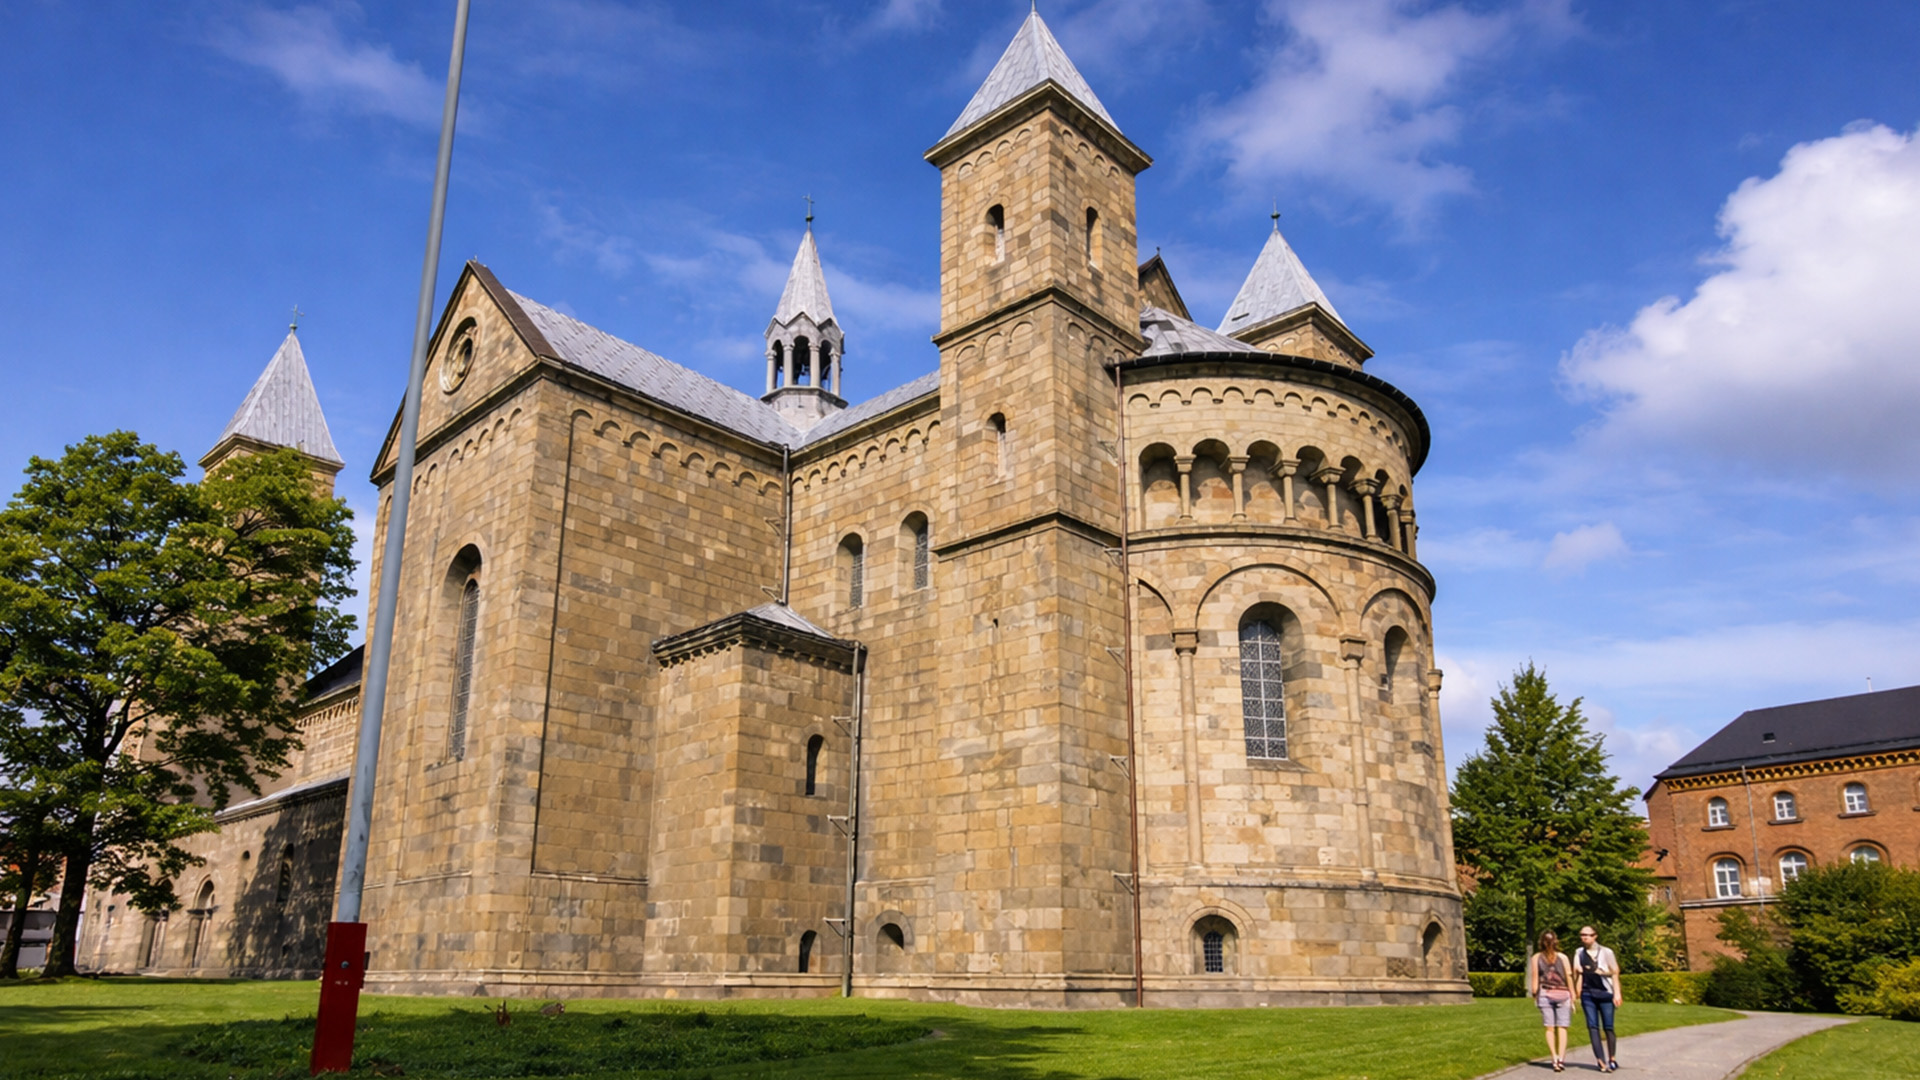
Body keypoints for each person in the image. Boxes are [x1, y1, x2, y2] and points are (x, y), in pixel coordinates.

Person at [1575, 925, 1623, 1072]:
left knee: (1608, 1027)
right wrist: (1576, 993)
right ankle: (1600, 1060)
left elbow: (1615, 972)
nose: (1585, 937)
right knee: (1592, 1027)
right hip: (1588, 993)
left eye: (1588, 935)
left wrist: (1617, 993)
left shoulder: (1606, 952)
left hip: (1605, 993)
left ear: (1595, 936)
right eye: (1582, 935)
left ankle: (1612, 1058)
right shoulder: (1579, 952)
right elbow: (1577, 972)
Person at [1527, 929, 1575, 1071]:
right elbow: (1569, 977)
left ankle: (1554, 1057)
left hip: (1545, 993)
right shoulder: (1563, 957)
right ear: (1556, 942)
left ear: (1541, 942)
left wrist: (1535, 995)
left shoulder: (1536, 957)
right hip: (1563, 994)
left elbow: (1535, 980)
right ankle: (1561, 1058)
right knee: (1562, 1027)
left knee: (1549, 1027)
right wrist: (1573, 996)